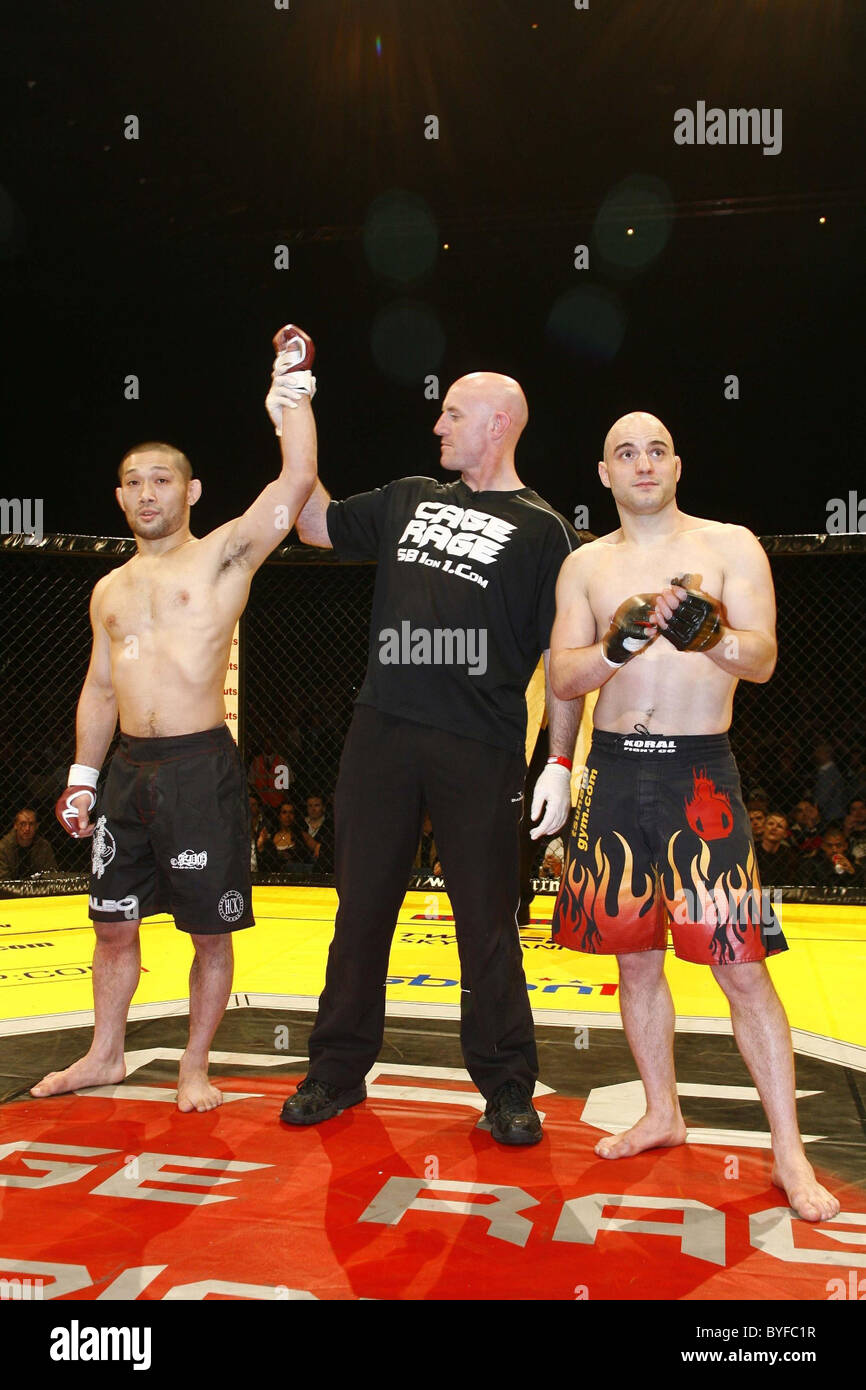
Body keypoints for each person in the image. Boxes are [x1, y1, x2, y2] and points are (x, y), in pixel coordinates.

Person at [549, 409, 838, 1222]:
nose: (642, 464)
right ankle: (661, 1112)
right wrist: (617, 645)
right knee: (635, 962)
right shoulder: (585, 566)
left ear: (678, 464)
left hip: (700, 778)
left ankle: (788, 1150)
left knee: (741, 967)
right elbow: (564, 677)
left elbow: (765, 659)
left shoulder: (730, 546)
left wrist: (710, 635)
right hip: (612, 779)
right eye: (624, 454)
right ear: (603, 474)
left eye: (656, 451)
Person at [280, 370, 582, 1144]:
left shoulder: (545, 530)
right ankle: (334, 1071)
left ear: (500, 423)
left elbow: (568, 655)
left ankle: (509, 1086)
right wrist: (296, 409)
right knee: (361, 909)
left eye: (454, 413)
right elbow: (310, 516)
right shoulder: (411, 496)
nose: (438, 426)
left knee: (486, 922)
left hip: (478, 743)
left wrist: (558, 761)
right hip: (380, 730)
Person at [31, 324, 318, 1112]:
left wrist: (290, 390)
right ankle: (104, 1055)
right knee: (112, 926)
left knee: (208, 932)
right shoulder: (109, 590)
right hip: (126, 772)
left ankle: (194, 1065)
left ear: (190, 492)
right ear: (119, 495)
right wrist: (83, 778)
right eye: (134, 482)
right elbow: (97, 688)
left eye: (162, 480)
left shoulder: (224, 555)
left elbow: (295, 481)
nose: (147, 493)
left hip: (199, 767)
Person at [0, 808, 58, 878]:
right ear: (15, 825)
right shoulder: (3, 847)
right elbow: (3, 878)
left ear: (37, 826)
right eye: (23, 824)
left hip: (38, 887)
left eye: (31, 824)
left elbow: (51, 874)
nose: (27, 828)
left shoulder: (43, 846)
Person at [755, 810, 800, 886]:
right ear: (763, 827)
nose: (774, 828)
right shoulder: (751, 851)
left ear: (785, 834)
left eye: (779, 826)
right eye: (771, 824)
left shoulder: (789, 856)